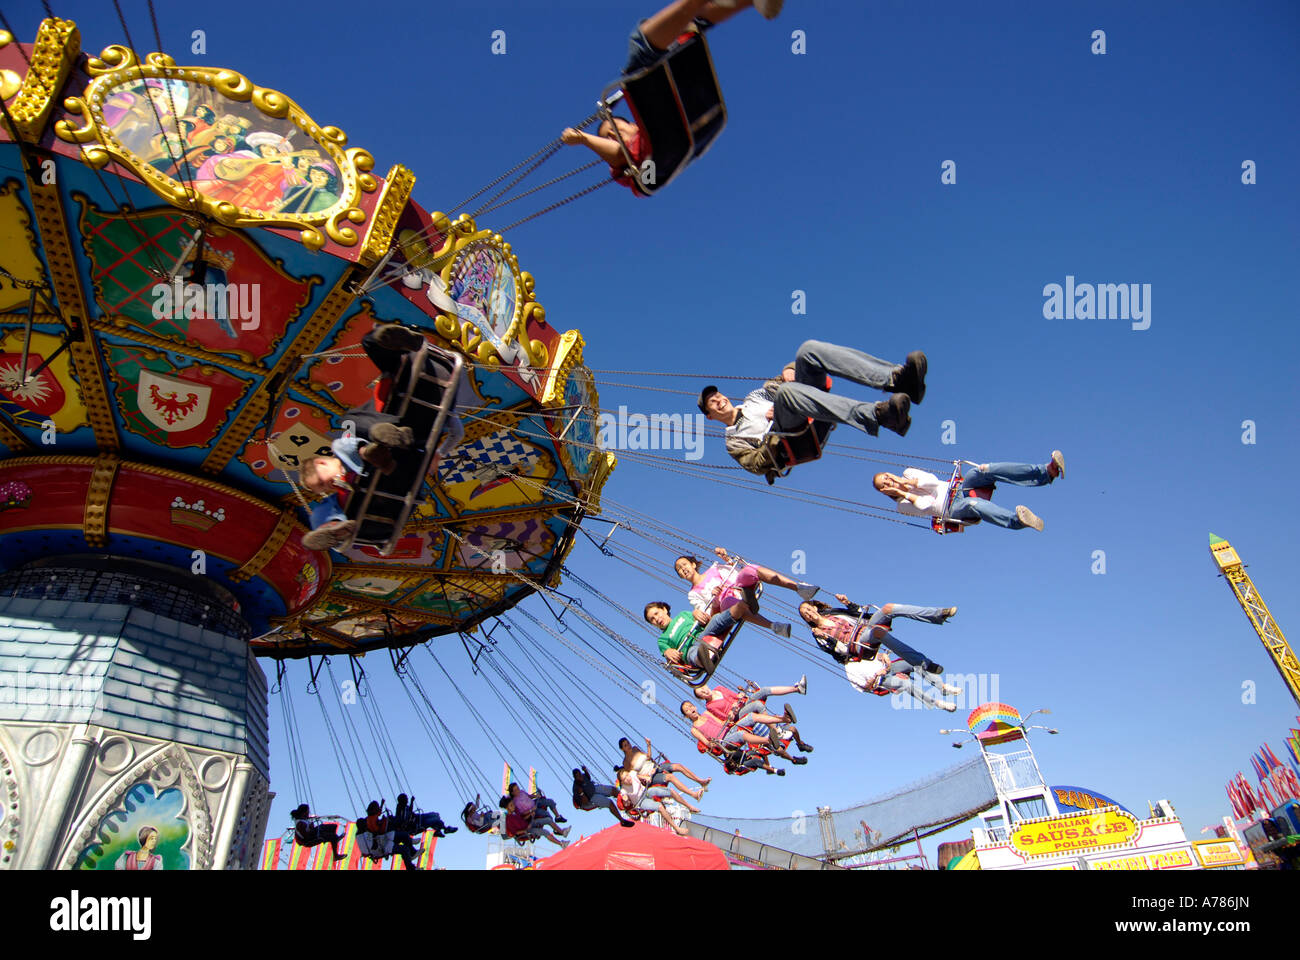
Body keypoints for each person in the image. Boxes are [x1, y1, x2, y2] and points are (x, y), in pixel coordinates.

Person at [561, 0, 785, 195]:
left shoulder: (655, 126)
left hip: (693, 124)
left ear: (634, 126)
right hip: (671, 147)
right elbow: (621, 154)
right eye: (609, 137)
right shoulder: (632, 165)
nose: (613, 135)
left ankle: (750, 1)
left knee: (690, 27)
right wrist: (583, 139)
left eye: (616, 128)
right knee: (642, 45)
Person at [298, 322, 473, 550]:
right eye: (325, 488)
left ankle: (371, 445)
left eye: (323, 481)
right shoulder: (342, 493)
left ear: (321, 462)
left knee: (347, 428)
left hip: (398, 429)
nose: (329, 486)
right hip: (407, 452)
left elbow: (349, 432)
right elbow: (456, 429)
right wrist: (440, 453)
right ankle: (333, 528)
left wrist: (438, 453)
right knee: (327, 503)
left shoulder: (344, 445)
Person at [699, 342, 927, 479]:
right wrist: (773, 429)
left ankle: (898, 380)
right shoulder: (733, 441)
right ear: (710, 416)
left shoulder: (753, 397)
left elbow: (781, 379)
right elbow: (756, 465)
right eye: (712, 402)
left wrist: (789, 370)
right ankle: (878, 416)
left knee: (808, 351)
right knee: (785, 396)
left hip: (806, 405)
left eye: (718, 395)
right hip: (792, 439)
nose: (718, 400)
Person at [798, 595, 963, 710]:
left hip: (864, 630)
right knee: (879, 635)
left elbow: (862, 614)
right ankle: (925, 667)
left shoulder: (833, 613)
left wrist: (848, 603)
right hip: (856, 646)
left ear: (814, 607)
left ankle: (937, 614)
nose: (808, 613)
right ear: (807, 619)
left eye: (808, 609)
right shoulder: (818, 634)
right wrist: (829, 640)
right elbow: (839, 655)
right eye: (805, 614)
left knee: (888, 608)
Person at [873, 452, 1065, 532]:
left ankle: (1045, 472)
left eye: (887, 476)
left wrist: (905, 482)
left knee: (982, 470)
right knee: (973, 504)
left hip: (957, 488)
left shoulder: (908, 472)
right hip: (953, 509)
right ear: (884, 491)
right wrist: (905, 493)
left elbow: (930, 483)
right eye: (885, 484)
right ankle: (1017, 521)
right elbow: (928, 504)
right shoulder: (902, 506)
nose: (889, 481)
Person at [673, 546, 817, 638]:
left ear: (693, 564)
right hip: (725, 604)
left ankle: (798, 588)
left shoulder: (714, 569)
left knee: (750, 570)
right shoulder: (693, 594)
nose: (683, 569)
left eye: (684, 564)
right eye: (679, 569)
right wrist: (714, 598)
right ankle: (774, 626)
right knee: (730, 603)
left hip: (738, 587)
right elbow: (708, 612)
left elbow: (736, 573)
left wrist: (726, 559)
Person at [692, 677, 814, 753]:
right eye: (701, 693)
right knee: (757, 706)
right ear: (701, 698)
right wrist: (731, 712)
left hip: (743, 704)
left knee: (764, 690)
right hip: (738, 715)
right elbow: (725, 719)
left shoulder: (719, 688)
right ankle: (777, 730)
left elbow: (735, 696)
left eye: (703, 688)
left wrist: (739, 696)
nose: (704, 691)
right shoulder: (710, 706)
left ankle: (797, 688)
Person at [681, 700, 808, 766]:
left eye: (690, 706)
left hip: (729, 730)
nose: (690, 709)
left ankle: (783, 719)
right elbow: (706, 742)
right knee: (741, 735)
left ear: (695, 707)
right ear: (686, 716)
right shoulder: (694, 728)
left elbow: (722, 722)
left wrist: (731, 716)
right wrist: (712, 744)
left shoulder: (707, 713)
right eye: (687, 710)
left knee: (751, 717)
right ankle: (769, 740)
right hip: (723, 741)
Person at [618, 736, 710, 801]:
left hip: (655, 767)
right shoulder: (626, 762)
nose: (628, 746)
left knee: (678, 766)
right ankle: (693, 795)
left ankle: (701, 781)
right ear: (623, 749)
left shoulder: (635, 749)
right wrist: (645, 776)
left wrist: (649, 745)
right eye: (625, 745)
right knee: (670, 777)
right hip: (650, 776)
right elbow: (635, 776)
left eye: (628, 743)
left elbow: (649, 757)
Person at [643, 600, 725, 672]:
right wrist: (668, 652)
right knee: (693, 654)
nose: (656, 618)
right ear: (652, 624)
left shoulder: (683, 614)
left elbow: (702, 621)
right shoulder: (662, 639)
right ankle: (704, 661)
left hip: (702, 636)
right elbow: (666, 651)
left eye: (656, 613)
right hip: (691, 649)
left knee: (716, 619)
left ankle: (735, 611)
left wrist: (696, 614)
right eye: (652, 619)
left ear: (664, 609)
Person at [393, 793, 457, 838]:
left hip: (418, 818)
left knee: (436, 815)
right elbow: (405, 819)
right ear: (402, 800)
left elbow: (410, 810)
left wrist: (412, 801)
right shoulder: (400, 808)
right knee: (435, 820)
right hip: (417, 824)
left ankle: (442, 829)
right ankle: (442, 829)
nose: (407, 800)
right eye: (406, 798)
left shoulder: (405, 807)